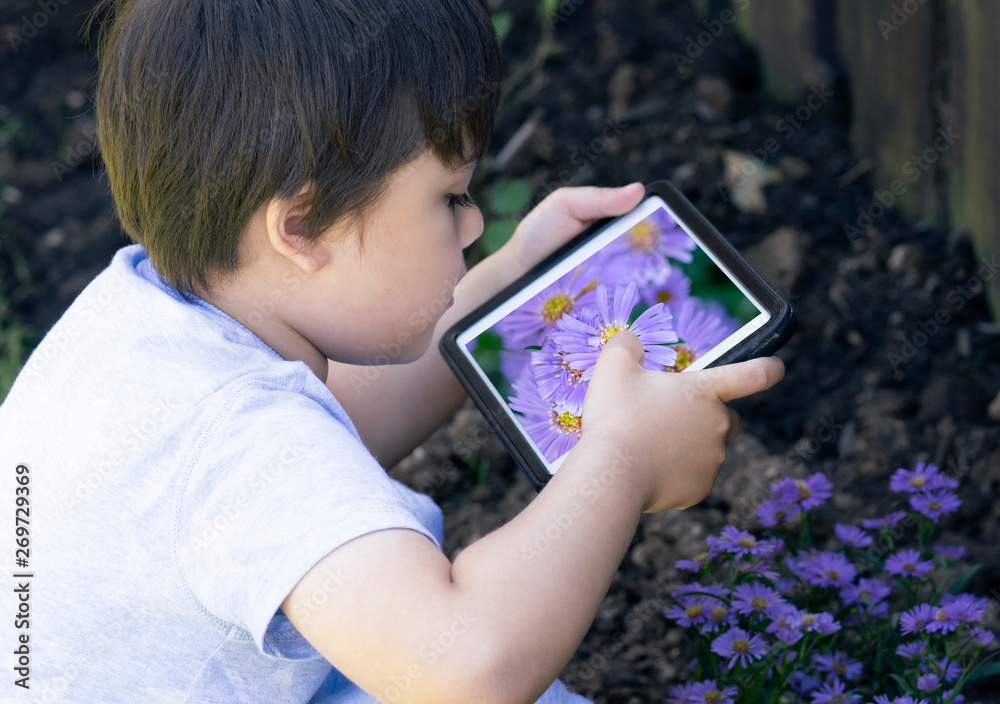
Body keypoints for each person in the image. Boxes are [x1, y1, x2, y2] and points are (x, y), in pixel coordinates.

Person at [0, 0, 784, 702]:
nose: (475, 226)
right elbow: (467, 669)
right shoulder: (240, 438)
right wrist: (623, 459)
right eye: (449, 198)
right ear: (301, 227)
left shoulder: (144, 323)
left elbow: (329, 436)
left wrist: (505, 283)